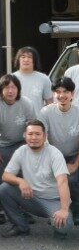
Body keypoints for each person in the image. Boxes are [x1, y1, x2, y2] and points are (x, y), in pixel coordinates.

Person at [0, 120, 73, 239]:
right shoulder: (21, 151)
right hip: (31, 197)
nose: (34, 137)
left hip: (53, 200)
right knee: (4, 189)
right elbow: (6, 176)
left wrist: (64, 209)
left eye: (38, 134)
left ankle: (56, 222)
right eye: (30, 134)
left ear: (45, 136)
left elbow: (62, 181)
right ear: (25, 135)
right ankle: (20, 226)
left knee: (65, 226)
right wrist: (21, 181)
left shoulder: (54, 154)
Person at [0, 74, 36, 224]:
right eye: (6, 87)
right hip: (0, 143)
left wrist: (30, 150)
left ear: (18, 89)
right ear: (0, 90)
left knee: (23, 175)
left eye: (13, 87)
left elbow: (32, 128)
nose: (10, 91)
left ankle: (23, 208)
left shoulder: (26, 103)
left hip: (21, 142)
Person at [39, 77, 79, 224]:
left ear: (72, 93)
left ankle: (75, 211)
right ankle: (53, 211)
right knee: (52, 181)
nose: (61, 95)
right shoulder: (46, 112)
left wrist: (75, 165)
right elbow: (42, 139)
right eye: (58, 91)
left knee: (73, 181)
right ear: (54, 94)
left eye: (66, 91)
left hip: (75, 156)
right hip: (53, 156)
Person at [12, 46, 52, 113]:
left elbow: (49, 103)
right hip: (14, 118)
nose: (26, 60)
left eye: (29, 57)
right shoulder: (11, 78)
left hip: (37, 119)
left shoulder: (44, 79)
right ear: (18, 59)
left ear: (34, 60)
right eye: (23, 57)